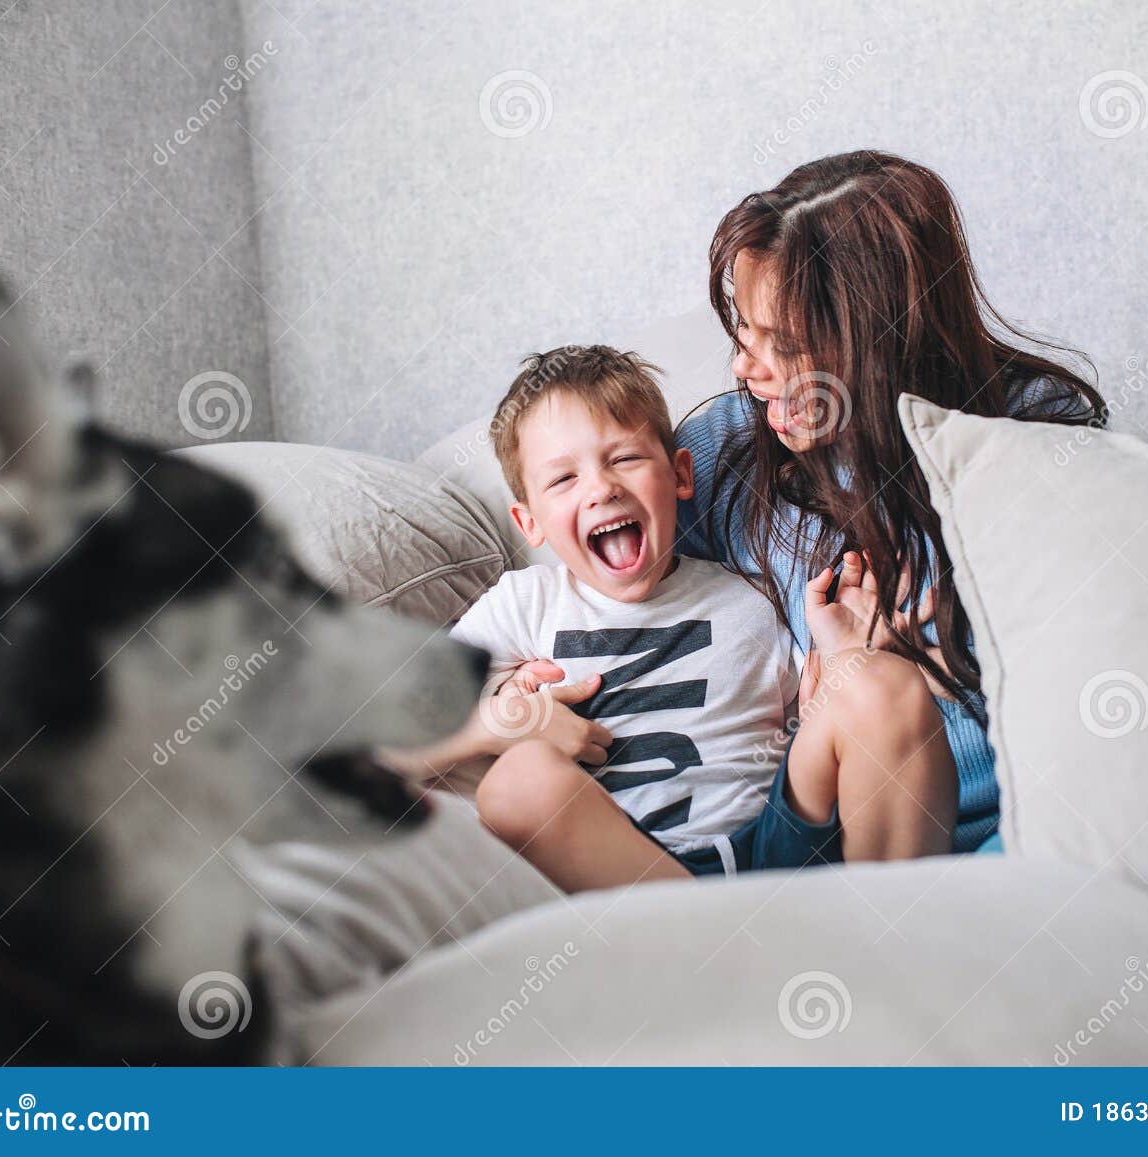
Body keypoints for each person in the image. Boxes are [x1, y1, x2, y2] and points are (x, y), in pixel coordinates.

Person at [676, 149, 1106, 853]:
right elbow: (614, 598)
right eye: (741, 333)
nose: (743, 368)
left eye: (781, 343)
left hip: (1019, 826)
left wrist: (931, 665)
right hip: (828, 829)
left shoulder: (1030, 432)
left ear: (880, 338)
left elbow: (1106, 656)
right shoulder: (725, 453)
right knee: (875, 690)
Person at [404, 345, 956, 893]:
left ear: (679, 476)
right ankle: (710, 941)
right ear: (530, 523)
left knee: (883, 684)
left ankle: (881, 937)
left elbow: (818, 719)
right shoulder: (526, 603)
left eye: (623, 458)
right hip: (623, 866)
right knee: (515, 785)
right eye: (563, 480)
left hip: (772, 849)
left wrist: (845, 657)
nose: (601, 488)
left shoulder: (750, 594)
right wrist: (501, 724)